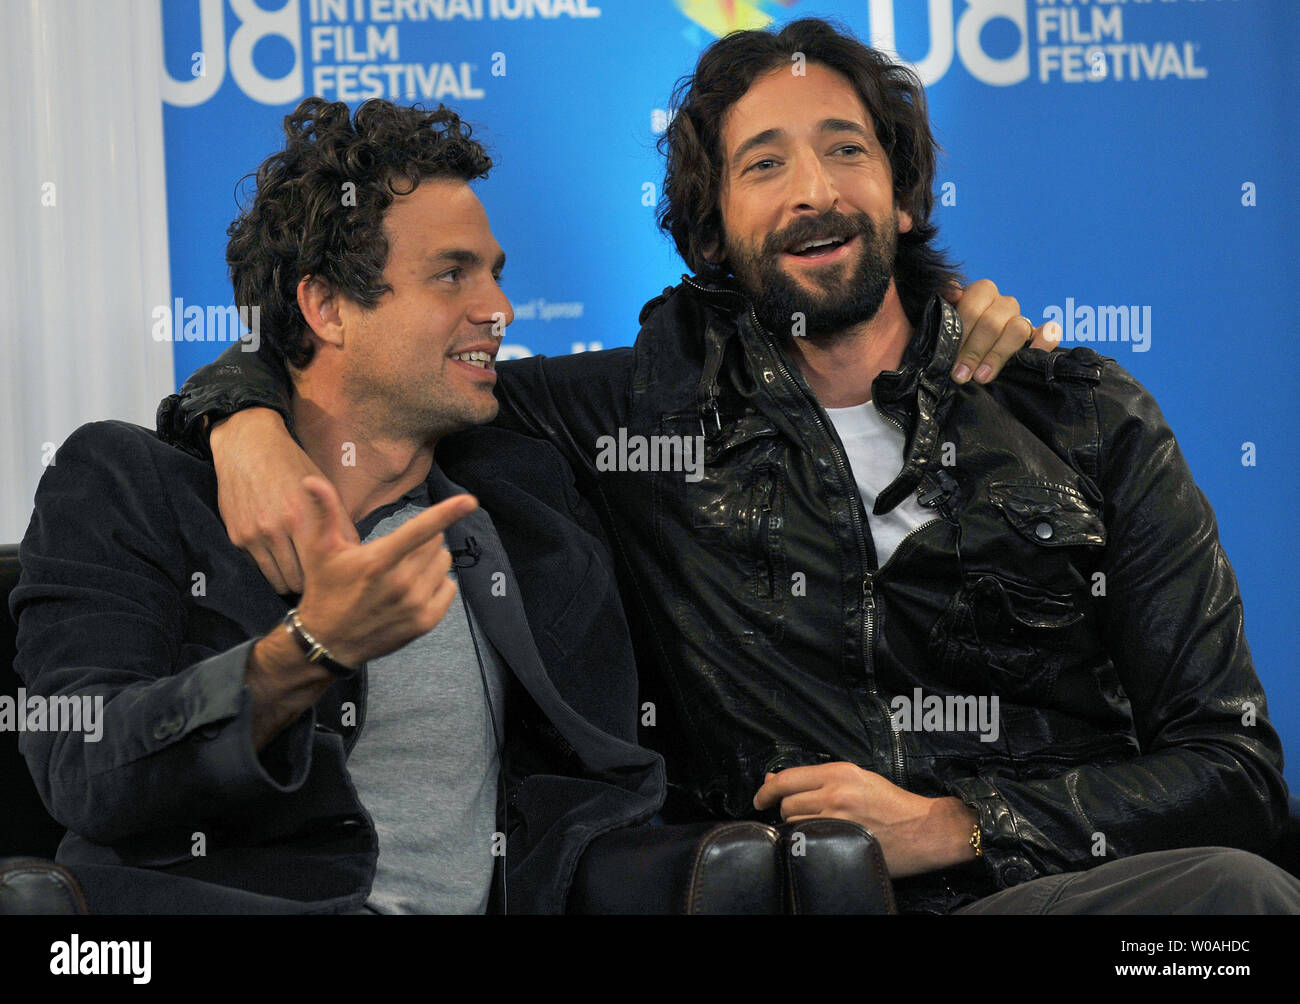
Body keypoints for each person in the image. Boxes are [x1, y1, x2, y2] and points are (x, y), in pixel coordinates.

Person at [158, 20, 1298, 914]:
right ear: (713, 231)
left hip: (1059, 890)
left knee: (1234, 900)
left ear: (900, 198)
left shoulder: (1079, 411)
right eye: (764, 165)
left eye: (845, 150)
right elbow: (374, 362)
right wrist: (236, 414)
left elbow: (1236, 771)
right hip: (790, 899)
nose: (812, 189)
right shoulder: (627, 409)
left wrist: (956, 821)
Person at [10, 99, 664, 914]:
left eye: (496, 271)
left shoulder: (529, 490)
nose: (497, 308)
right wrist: (308, 652)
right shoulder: (125, 484)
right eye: (452, 274)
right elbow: (85, 761)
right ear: (325, 308)